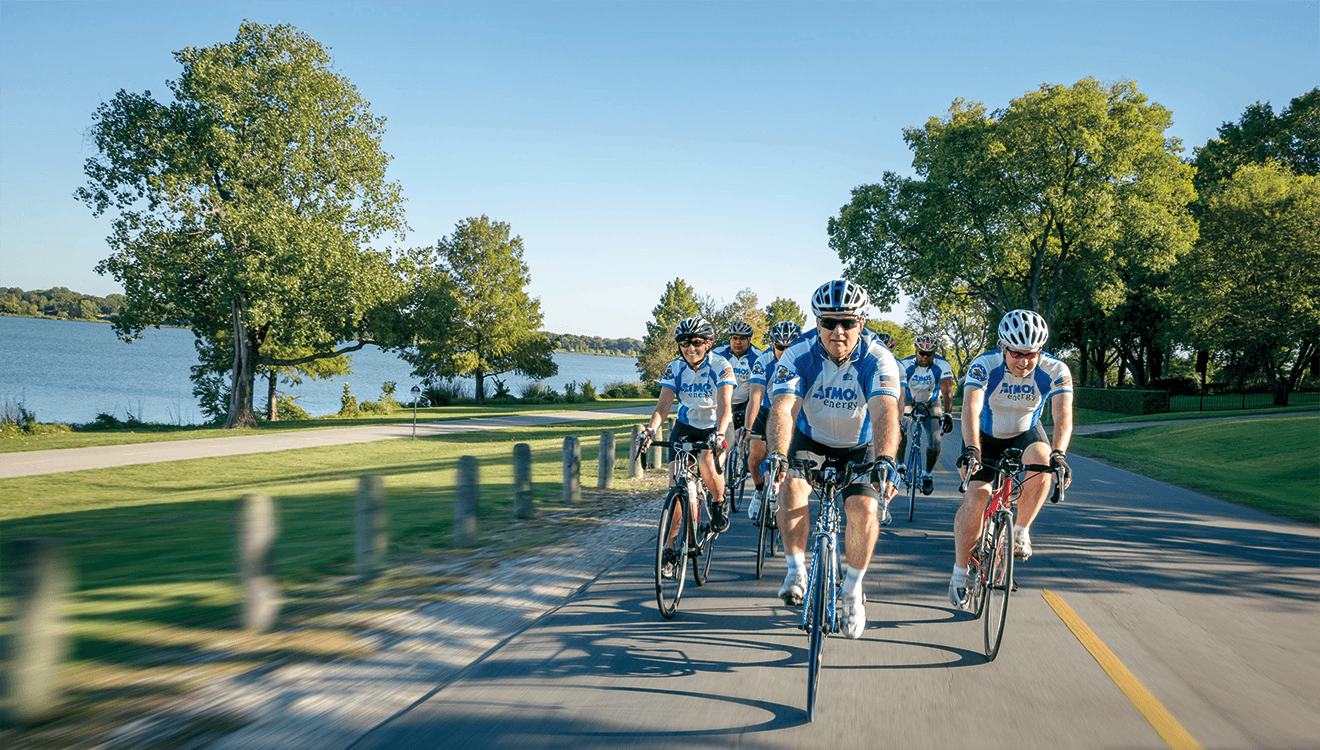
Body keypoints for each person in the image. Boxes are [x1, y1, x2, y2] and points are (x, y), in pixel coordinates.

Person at [761, 280, 901, 640]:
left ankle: (852, 591)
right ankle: (796, 570)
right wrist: (777, 454)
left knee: (863, 510)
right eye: (829, 322)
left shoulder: (878, 357)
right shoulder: (797, 353)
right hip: (811, 438)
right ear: (818, 322)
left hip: (860, 444)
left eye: (848, 323)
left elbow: (885, 412)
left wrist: (886, 459)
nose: (838, 331)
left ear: (862, 322)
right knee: (790, 487)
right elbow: (783, 409)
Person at [948, 309, 1074, 610]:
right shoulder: (984, 365)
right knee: (976, 500)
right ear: (1002, 346)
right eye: (1016, 353)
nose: (1023, 361)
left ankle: (1020, 531)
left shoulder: (1055, 370)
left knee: (1044, 457)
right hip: (985, 437)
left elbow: (1062, 414)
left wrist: (1060, 455)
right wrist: (972, 449)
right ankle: (959, 573)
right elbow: (971, 409)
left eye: (1030, 354)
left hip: (1026, 432)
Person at [638, 317, 736, 579]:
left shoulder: (721, 365)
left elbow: (726, 406)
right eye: (684, 343)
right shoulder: (675, 368)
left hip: (715, 425)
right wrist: (650, 431)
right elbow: (663, 407)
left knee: (705, 462)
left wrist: (719, 434)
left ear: (708, 344)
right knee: (676, 486)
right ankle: (669, 550)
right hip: (685, 425)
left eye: (696, 342)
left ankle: (718, 502)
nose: (690, 348)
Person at [744, 320, 801, 523]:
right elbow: (755, 397)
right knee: (755, 455)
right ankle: (759, 491)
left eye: (790, 348)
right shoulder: (763, 361)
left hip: (796, 413)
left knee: (793, 459)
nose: (784, 352)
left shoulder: (804, 358)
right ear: (772, 345)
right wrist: (749, 427)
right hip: (768, 411)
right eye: (780, 347)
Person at [896, 334, 956, 496]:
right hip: (909, 400)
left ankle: (927, 475)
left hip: (932, 403)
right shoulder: (905, 364)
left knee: (935, 440)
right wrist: (898, 414)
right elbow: (899, 392)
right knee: (899, 429)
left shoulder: (942, 365)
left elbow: (947, 392)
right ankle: (900, 464)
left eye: (929, 354)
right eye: (921, 353)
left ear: (934, 354)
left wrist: (948, 414)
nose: (924, 356)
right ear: (916, 351)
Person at [712, 321, 764, 466]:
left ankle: (742, 457)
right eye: (734, 338)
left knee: (744, 434)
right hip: (722, 401)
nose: (737, 342)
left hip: (745, 403)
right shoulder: (717, 354)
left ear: (749, 339)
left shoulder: (758, 357)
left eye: (742, 338)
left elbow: (758, 387)